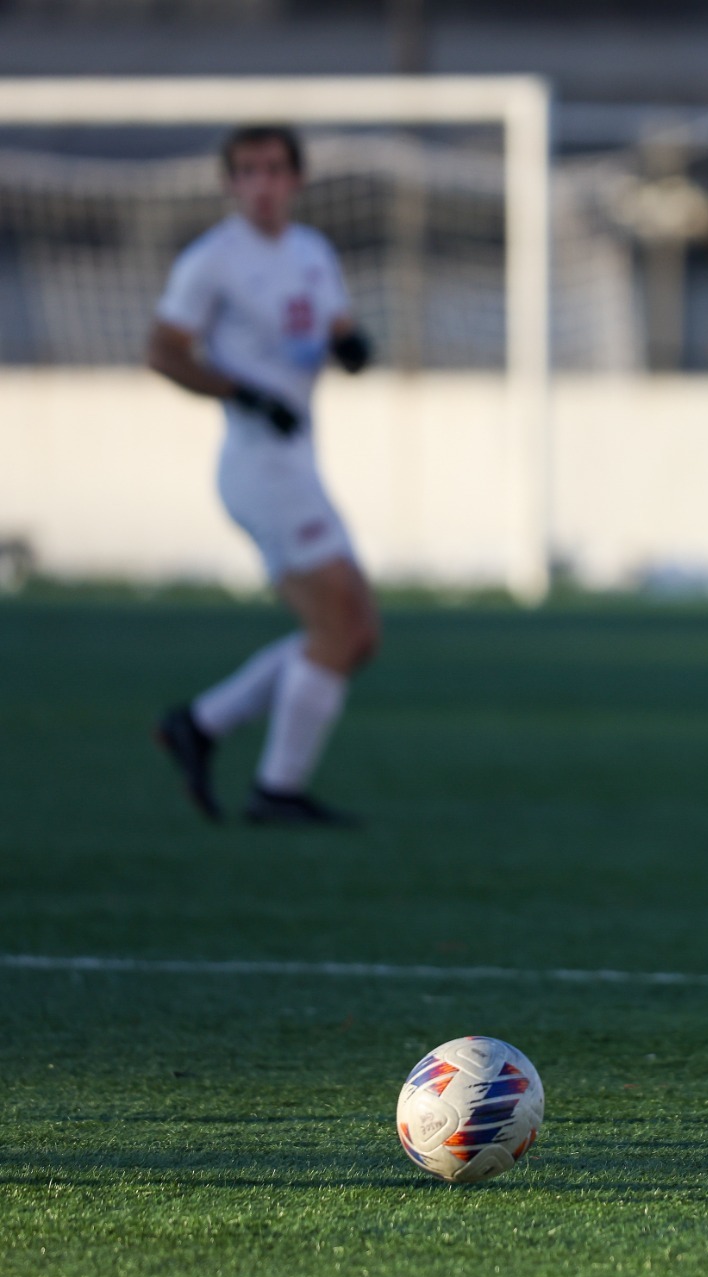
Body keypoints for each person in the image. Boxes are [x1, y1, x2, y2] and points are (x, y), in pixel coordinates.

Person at [148, 125, 378, 826]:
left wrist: (352, 346)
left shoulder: (312, 253)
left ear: (297, 180)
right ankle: (276, 791)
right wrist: (242, 393)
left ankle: (203, 722)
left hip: (300, 458)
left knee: (357, 632)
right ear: (230, 184)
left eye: (275, 170)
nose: (262, 184)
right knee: (337, 622)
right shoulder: (211, 261)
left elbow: (336, 327)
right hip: (257, 464)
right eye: (247, 171)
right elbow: (163, 352)